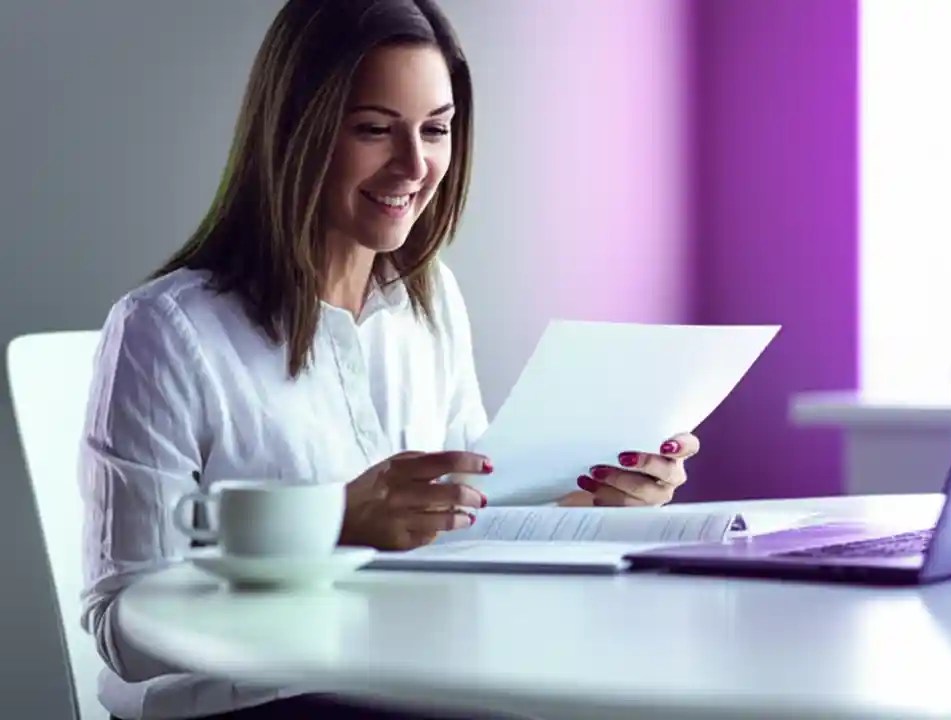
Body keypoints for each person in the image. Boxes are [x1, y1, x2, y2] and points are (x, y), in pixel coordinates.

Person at [80, 1, 700, 718]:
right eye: (374, 130)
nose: (415, 166)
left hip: (405, 686)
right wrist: (329, 523)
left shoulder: (428, 302)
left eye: (435, 129)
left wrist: (591, 505)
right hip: (255, 703)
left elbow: (467, 531)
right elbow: (122, 629)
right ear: (296, 131)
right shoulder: (164, 330)